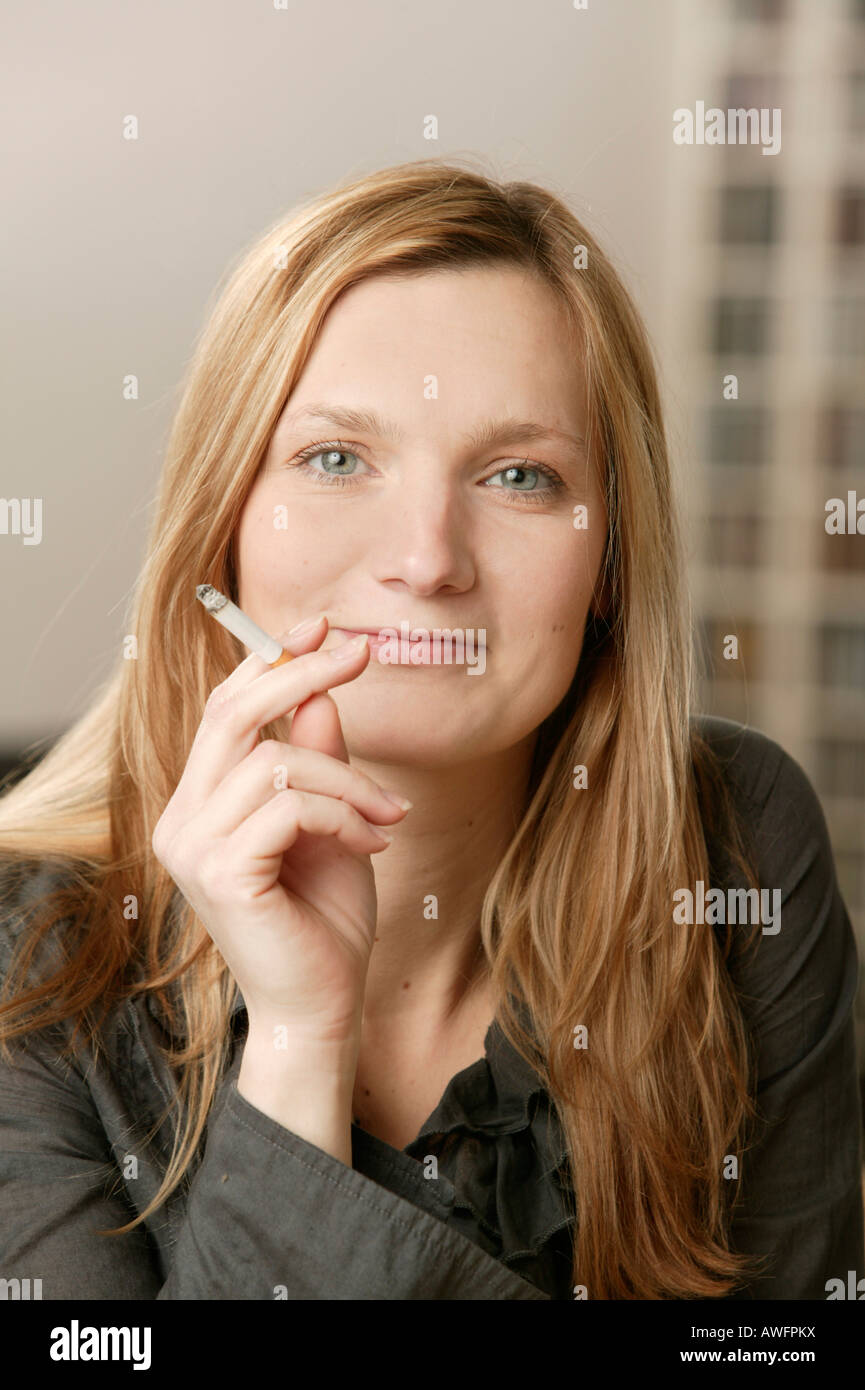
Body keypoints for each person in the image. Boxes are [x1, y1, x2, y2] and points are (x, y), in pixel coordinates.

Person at [0, 158, 861, 1301]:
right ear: (223, 528)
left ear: (607, 562)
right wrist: (304, 1045)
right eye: (337, 458)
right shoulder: (24, 963)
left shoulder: (735, 844)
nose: (426, 559)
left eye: (517, 474)